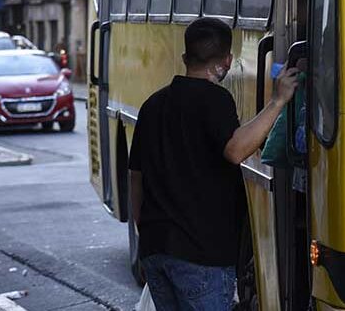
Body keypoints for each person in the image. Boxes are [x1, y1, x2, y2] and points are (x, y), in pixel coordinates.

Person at [128, 17, 298, 311]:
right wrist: (278, 101)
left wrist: (145, 236)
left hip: (156, 250)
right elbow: (235, 150)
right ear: (227, 61)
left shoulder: (152, 104)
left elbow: (135, 177)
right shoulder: (215, 99)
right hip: (200, 254)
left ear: (185, 57)